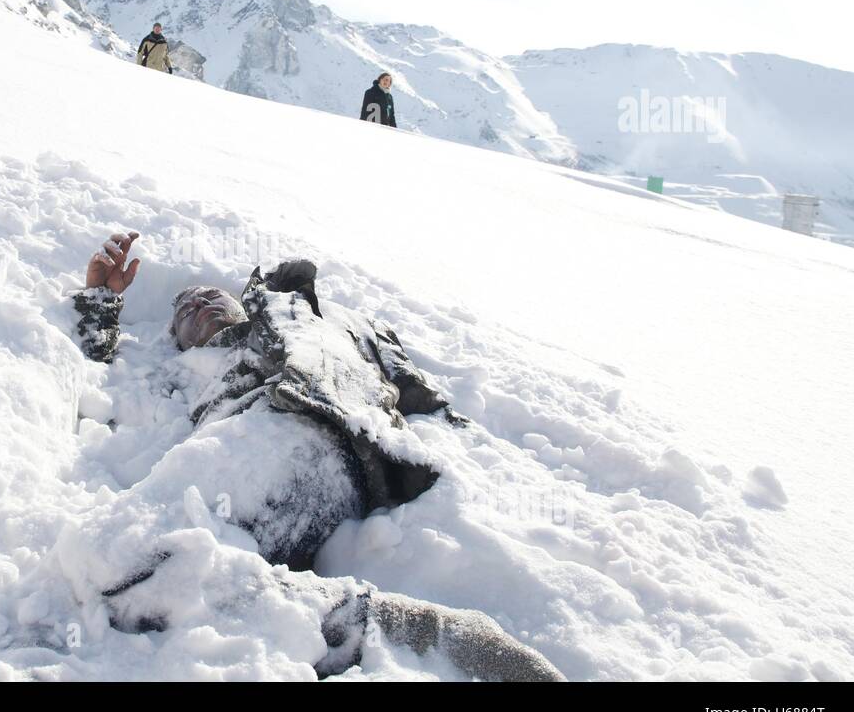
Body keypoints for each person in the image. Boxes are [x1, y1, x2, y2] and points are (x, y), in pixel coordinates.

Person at [42, 230, 565, 680]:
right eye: (184, 311)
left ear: (240, 304)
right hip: (250, 449)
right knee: (107, 564)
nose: (197, 304)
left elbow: (410, 384)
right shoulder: (181, 378)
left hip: (305, 435)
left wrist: (449, 425)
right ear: (178, 339)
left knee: (107, 566)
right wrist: (100, 300)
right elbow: (100, 383)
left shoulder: (300, 314)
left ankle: (351, 628)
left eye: (209, 296)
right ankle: (370, 624)